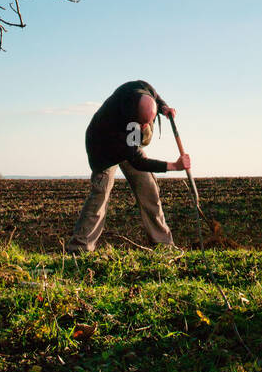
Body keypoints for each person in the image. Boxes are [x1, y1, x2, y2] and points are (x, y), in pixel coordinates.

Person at [65, 79, 190, 253]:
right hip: (103, 150)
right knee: (100, 195)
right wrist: (174, 166)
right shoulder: (116, 124)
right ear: (133, 117)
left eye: (149, 122)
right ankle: (79, 248)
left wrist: (163, 108)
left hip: (130, 146)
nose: (146, 126)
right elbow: (137, 161)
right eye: (142, 123)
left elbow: (155, 98)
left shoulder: (141, 89)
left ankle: (164, 245)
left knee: (149, 189)